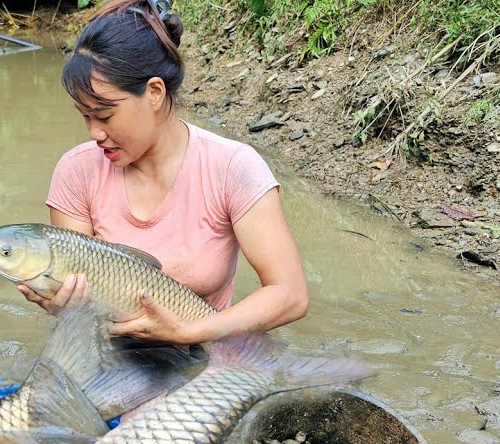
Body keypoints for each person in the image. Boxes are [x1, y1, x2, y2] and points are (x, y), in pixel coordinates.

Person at [21, 0, 309, 344]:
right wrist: (61, 303)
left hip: (203, 350)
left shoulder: (232, 168)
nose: (94, 133)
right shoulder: (77, 171)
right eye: (85, 116)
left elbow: (290, 294)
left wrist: (189, 332)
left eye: (105, 115)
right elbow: (76, 303)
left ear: (154, 93)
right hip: (108, 350)